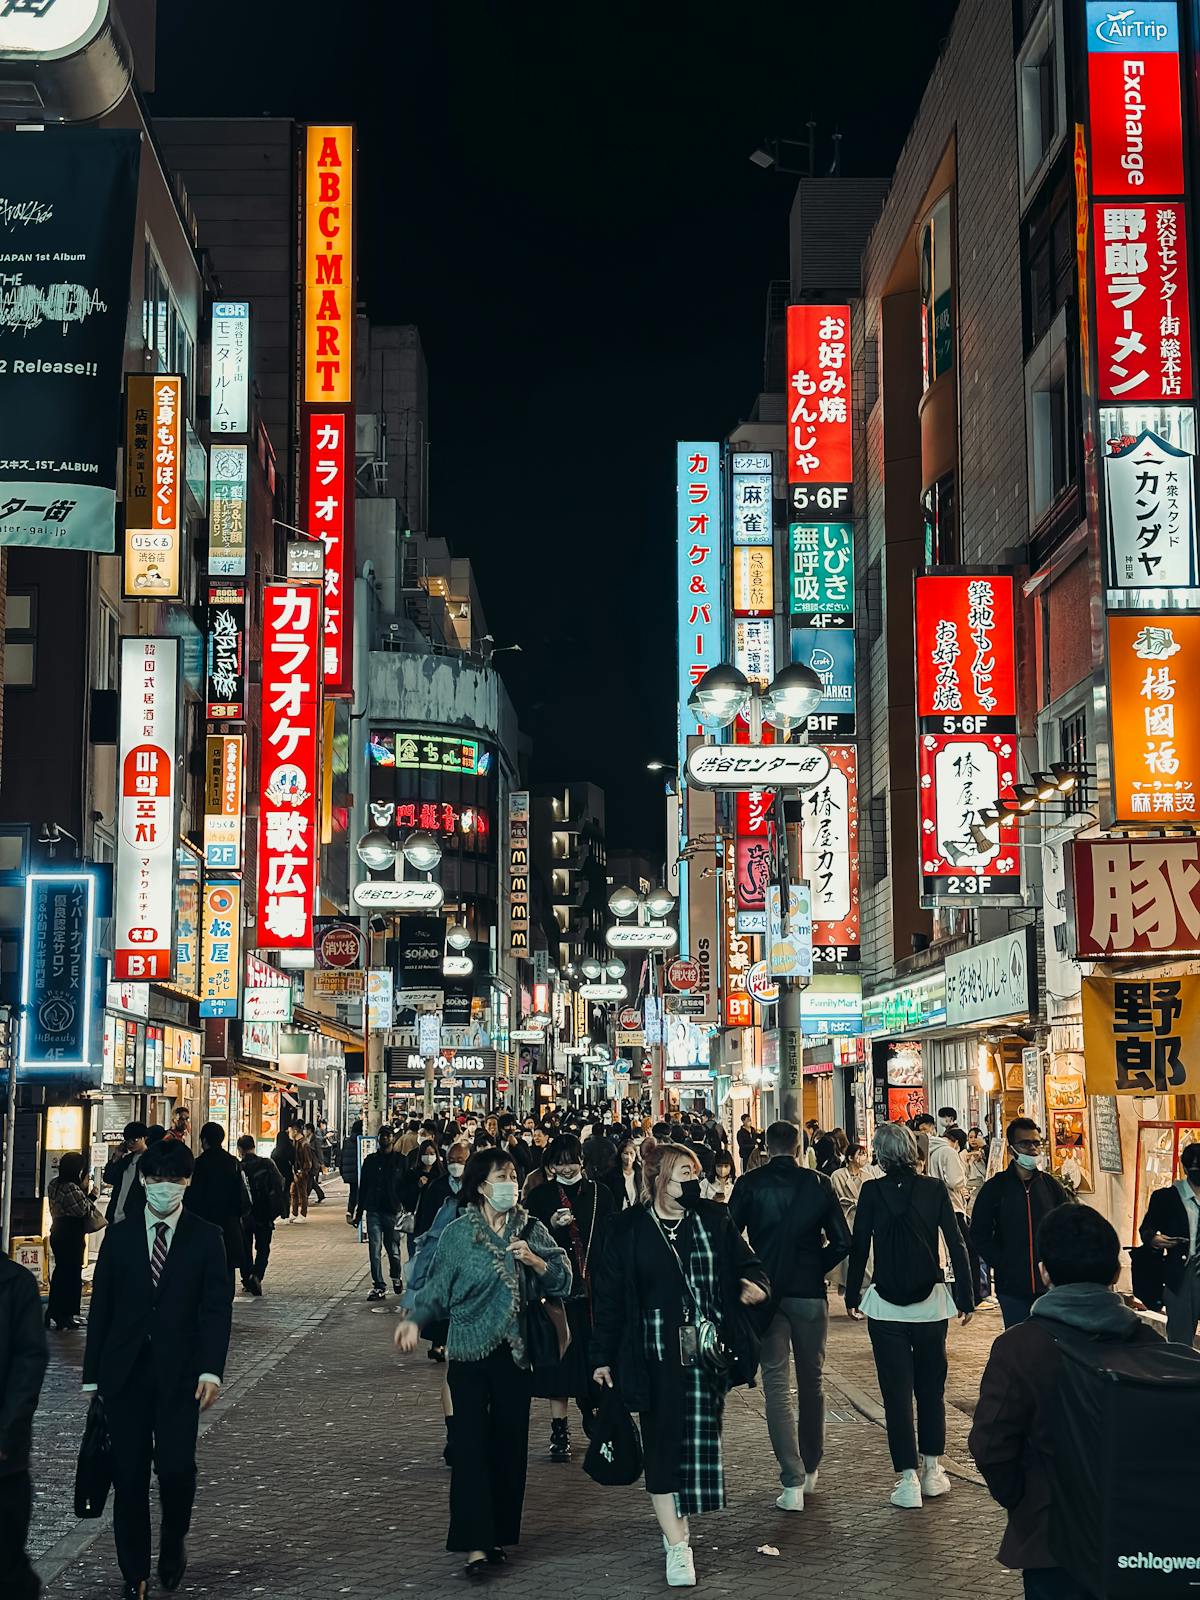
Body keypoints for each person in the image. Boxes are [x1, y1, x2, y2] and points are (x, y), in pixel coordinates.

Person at [591, 1141, 770, 1588]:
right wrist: (601, 1357)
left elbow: (750, 1265)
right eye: (683, 1176)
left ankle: (681, 1520)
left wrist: (754, 1286)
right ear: (658, 1181)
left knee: (696, 1446)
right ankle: (677, 1546)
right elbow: (610, 1300)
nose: (693, 1183)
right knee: (662, 1448)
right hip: (652, 1355)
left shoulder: (714, 1219)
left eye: (695, 1174)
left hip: (707, 1358)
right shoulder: (628, 1229)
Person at [969, 1205, 1164, 1600]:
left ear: (1044, 1272)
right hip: (1139, 1537)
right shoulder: (1151, 1346)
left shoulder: (1020, 1347)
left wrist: (1024, 1501)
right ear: (1114, 1273)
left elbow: (990, 1446)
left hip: (1051, 1540)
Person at [395, 1148, 571, 1579]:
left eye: (513, 1175)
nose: (510, 1183)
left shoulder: (530, 1228)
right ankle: (474, 1543)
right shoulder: (457, 1233)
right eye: (501, 1176)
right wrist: (415, 1320)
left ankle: (497, 1535)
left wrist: (535, 1260)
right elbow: (436, 1288)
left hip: (515, 1354)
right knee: (471, 1448)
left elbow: (564, 1278)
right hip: (468, 1353)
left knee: (509, 1447)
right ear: (480, 1185)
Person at [82, 1137, 231, 1599]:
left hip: (180, 1376)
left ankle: (173, 1541)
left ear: (187, 1183)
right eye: (157, 1179)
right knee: (128, 1476)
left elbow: (215, 1310)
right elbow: (101, 1309)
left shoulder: (207, 1238)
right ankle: (135, 1572)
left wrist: (211, 1370)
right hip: (124, 1374)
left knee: (175, 1470)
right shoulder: (121, 1235)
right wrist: (93, 1376)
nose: (165, 1187)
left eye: (175, 1180)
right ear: (144, 1181)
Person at [844, 1121, 974, 1509]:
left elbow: (859, 1246)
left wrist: (852, 1293)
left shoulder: (871, 1190)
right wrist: (966, 1297)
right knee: (931, 1390)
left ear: (881, 1155)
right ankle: (934, 1470)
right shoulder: (934, 1190)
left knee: (896, 1394)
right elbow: (956, 1244)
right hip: (931, 1302)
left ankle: (907, 1479)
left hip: (885, 1305)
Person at [728, 1120, 850, 1513]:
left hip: (766, 1293)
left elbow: (729, 1237)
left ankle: (792, 1480)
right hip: (810, 1293)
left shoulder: (750, 1184)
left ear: (765, 1147)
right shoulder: (819, 1183)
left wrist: (747, 1274)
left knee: (777, 1388)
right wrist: (817, 1264)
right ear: (799, 1148)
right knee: (812, 1381)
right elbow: (843, 1240)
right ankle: (812, 1469)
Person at [524, 1134, 615, 1460]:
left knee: (597, 1358)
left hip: (595, 1292)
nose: (566, 1167)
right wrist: (550, 1224)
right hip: (557, 1296)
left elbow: (611, 1234)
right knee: (558, 1364)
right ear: (550, 1164)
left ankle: (597, 1420)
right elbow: (529, 1238)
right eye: (559, 1162)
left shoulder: (599, 1194)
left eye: (571, 1160)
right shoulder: (540, 1196)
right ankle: (559, 1430)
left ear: (582, 1161)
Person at [971, 1119, 1071, 1327]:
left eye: (1036, 1143)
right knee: (1019, 1346)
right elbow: (979, 1234)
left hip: (1050, 1286)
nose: (1033, 1149)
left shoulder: (1050, 1186)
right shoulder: (995, 1188)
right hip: (1012, 1287)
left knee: (1051, 1344)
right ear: (1011, 1149)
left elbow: (1068, 1225)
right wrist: (1002, 1261)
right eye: (1025, 1144)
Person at [0, 1251, 47, 1600]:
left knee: (7, 1564)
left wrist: (7, 1431)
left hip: (4, 1458)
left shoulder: (15, 1283)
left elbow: (28, 1363)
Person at [1138, 1140, 1200, 1346]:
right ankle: (1182, 1372)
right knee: (1181, 1334)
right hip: (1182, 1272)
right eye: (1195, 1168)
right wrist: (1155, 1239)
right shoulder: (1167, 1198)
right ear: (1185, 1168)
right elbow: (1146, 1229)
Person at [183, 1123, 251, 1294]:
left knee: (203, 1268)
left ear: (204, 1140)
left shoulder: (198, 1164)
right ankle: (225, 1302)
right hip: (229, 1224)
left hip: (203, 1223)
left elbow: (191, 1197)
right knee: (227, 1267)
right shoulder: (233, 1162)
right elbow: (243, 1197)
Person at [46, 1152, 99, 1332]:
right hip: (72, 1233)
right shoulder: (72, 1188)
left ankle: (54, 1310)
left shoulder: (54, 1183)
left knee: (61, 1272)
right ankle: (65, 1315)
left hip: (57, 1231)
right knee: (71, 1274)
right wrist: (91, 1196)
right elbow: (83, 1211)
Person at [355, 1125, 406, 1300]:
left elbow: (406, 1187)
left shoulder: (401, 1161)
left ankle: (396, 1276)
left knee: (393, 1249)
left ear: (393, 1138)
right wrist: (358, 1211)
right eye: (382, 1136)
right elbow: (363, 1188)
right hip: (373, 1210)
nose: (384, 1139)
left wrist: (406, 1208)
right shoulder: (370, 1160)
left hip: (392, 1211)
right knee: (374, 1249)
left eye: (388, 1136)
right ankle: (378, 1286)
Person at [235, 1134, 285, 1295]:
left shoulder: (238, 1167)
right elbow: (279, 1183)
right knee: (263, 1248)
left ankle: (247, 1278)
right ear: (253, 1146)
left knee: (245, 1247)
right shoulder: (267, 1164)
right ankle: (257, 1275)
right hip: (265, 1213)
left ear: (240, 1149)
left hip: (245, 1214)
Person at [829, 1142, 880, 1292]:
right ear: (850, 1157)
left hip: (864, 1220)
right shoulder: (837, 1176)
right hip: (846, 1219)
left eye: (865, 1154)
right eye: (861, 1154)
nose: (864, 1157)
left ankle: (861, 1292)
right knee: (848, 1261)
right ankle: (852, 1292)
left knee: (867, 1260)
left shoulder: (868, 1176)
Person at [104, 1122, 149, 1225]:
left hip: (134, 1217)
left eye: (135, 1140)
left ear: (144, 1138)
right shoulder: (126, 1160)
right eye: (128, 1140)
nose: (130, 1143)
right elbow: (108, 1178)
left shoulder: (150, 1159)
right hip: (115, 1214)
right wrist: (117, 1156)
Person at [606, 1135, 642, 1211]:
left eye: (631, 1153)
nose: (629, 1157)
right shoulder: (612, 1174)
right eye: (625, 1153)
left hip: (636, 1215)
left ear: (635, 1155)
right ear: (620, 1155)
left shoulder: (640, 1173)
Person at [288, 1123, 315, 1222]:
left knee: (302, 1193)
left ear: (295, 1131)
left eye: (290, 1131)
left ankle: (303, 1214)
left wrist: (303, 1171)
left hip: (302, 1172)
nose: (289, 1133)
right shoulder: (296, 1142)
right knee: (294, 1192)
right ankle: (294, 1213)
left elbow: (308, 1161)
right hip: (296, 1171)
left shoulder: (304, 1143)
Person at [339, 1117, 363, 1223]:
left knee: (353, 1192)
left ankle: (350, 1211)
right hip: (360, 1172)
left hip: (350, 1172)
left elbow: (341, 1157)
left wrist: (343, 1172)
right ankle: (359, 1213)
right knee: (362, 1192)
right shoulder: (362, 1140)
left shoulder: (347, 1141)